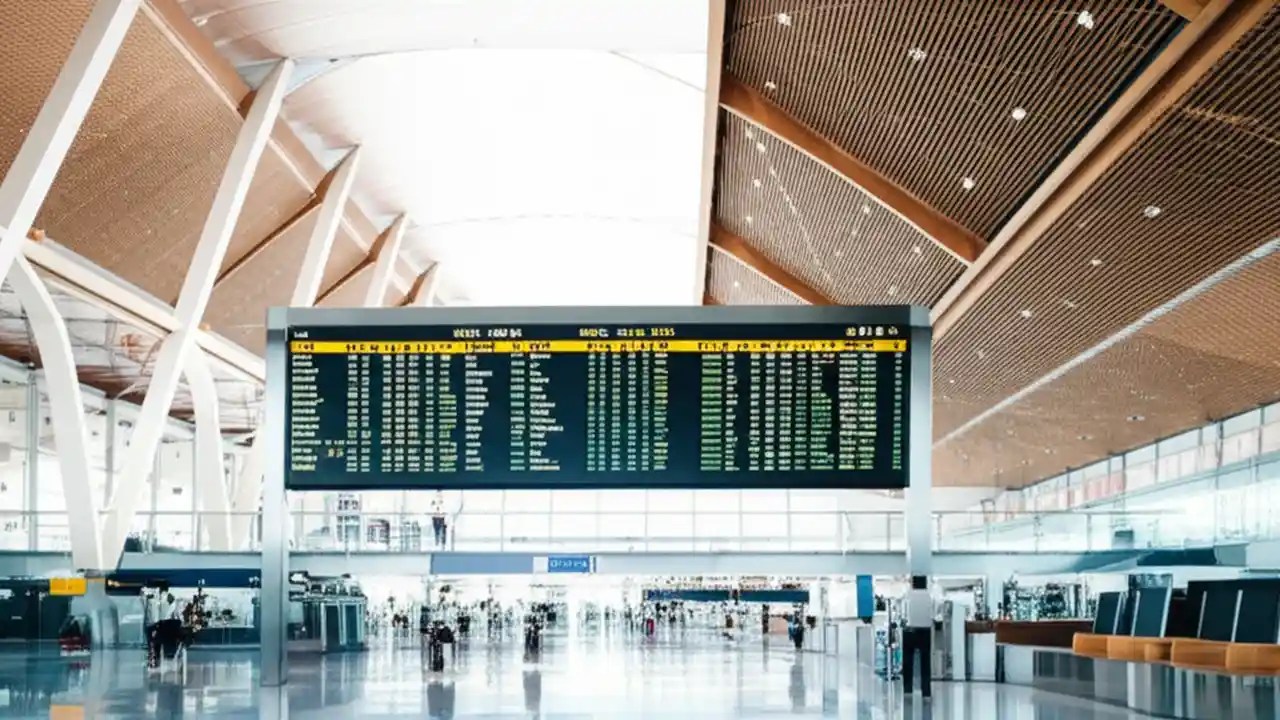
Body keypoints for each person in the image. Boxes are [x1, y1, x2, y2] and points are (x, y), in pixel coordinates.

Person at [902, 576, 934, 697]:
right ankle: (926, 692)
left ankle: (907, 690)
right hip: (925, 631)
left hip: (910, 630)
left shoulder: (908, 595)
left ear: (913, 583)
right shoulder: (929, 595)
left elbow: (903, 613)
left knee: (908, 662)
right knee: (925, 663)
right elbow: (934, 614)